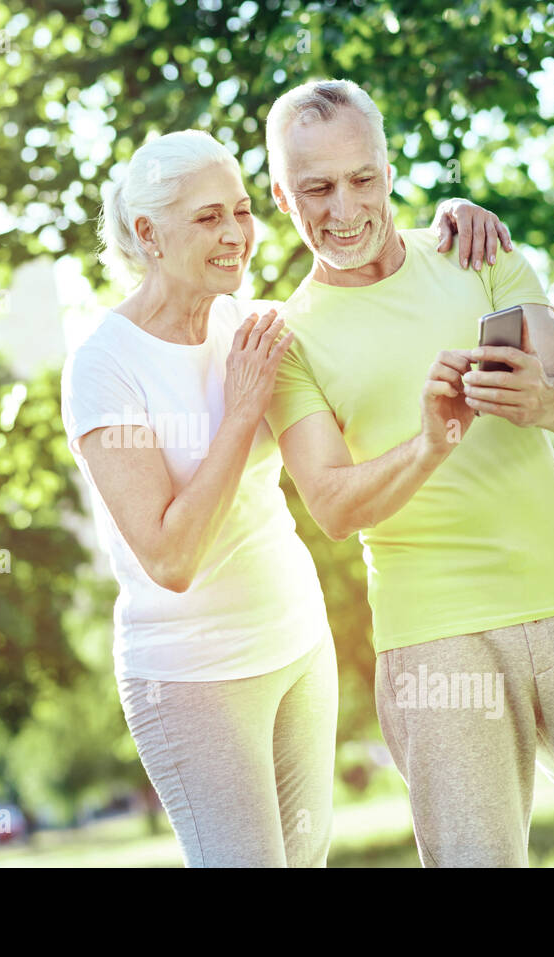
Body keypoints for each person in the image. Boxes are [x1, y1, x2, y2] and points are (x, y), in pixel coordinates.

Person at [261, 79, 554, 867]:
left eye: (361, 178)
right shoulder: (287, 340)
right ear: (279, 192)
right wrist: (428, 445)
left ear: (389, 167)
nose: (343, 208)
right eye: (316, 188)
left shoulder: (477, 250)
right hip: (435, 636)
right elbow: (331, 504)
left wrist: (541, 397)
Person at [60, 127, 509, 866]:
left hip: (298, 646)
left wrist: (450, 223)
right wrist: (239, 413)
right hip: (192, 675)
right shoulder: (104, 363)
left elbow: (359, 285)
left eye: (241, 211)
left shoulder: (258, 323)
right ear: (149, 233)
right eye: (209, 218)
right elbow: (171, 556)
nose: (237, 234)